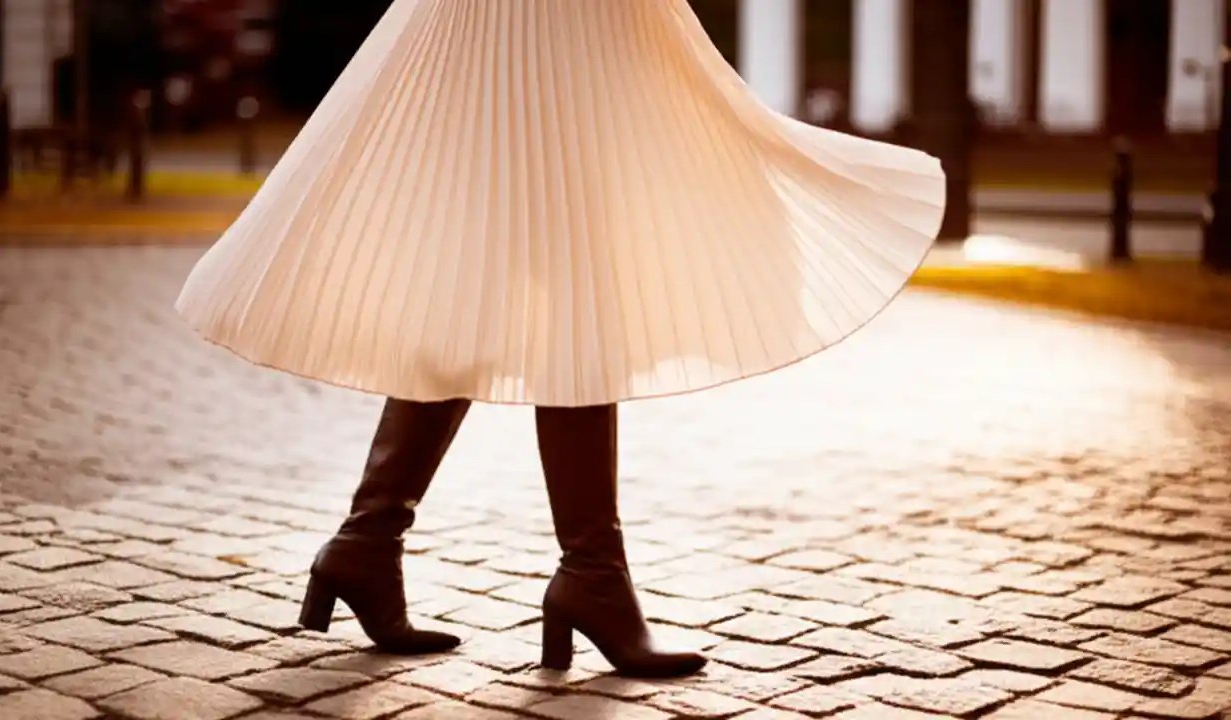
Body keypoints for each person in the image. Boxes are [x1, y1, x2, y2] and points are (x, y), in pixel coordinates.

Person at [175, 0, 945, 679]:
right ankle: (582, 574)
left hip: (530, 26)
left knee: (498, 278)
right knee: (569, 276)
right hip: (540, 24)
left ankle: (374, 543)